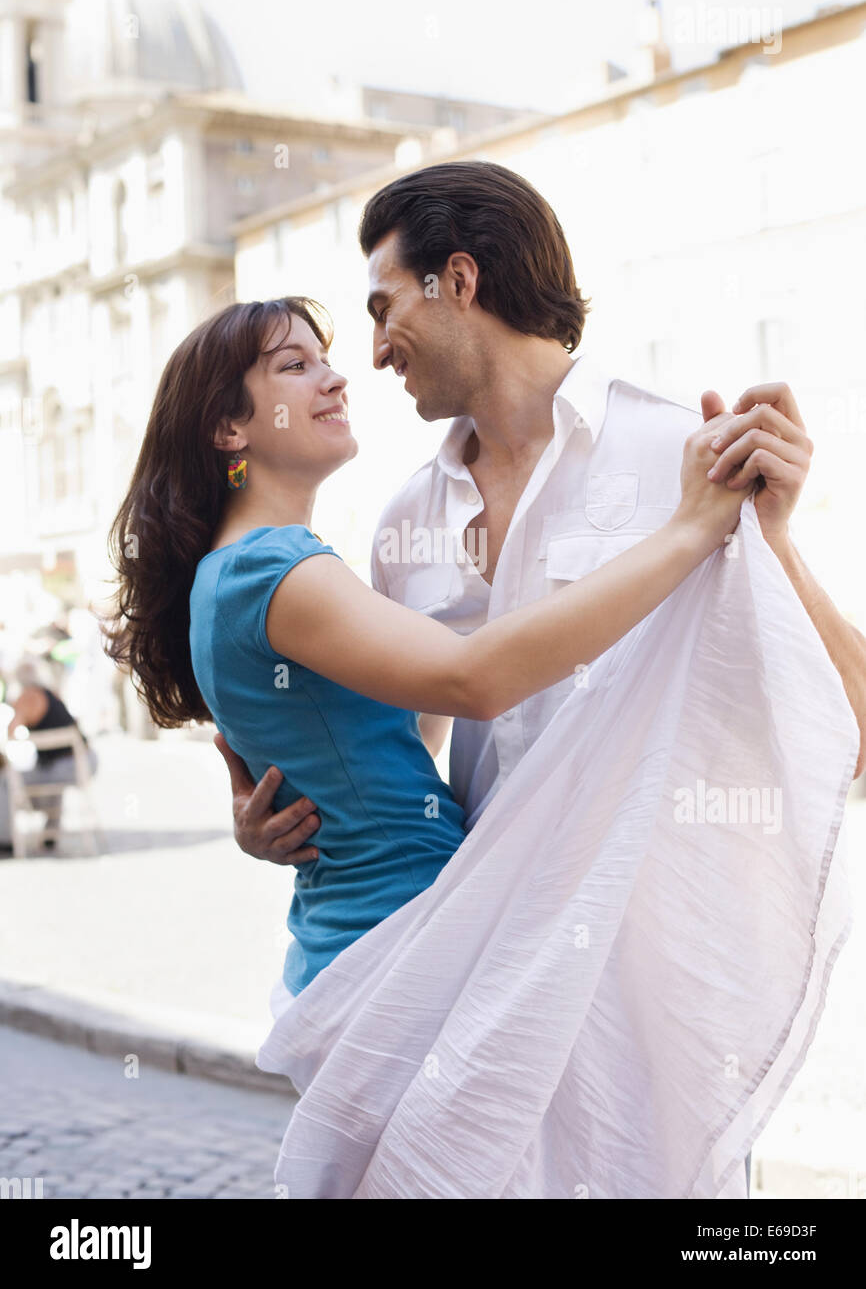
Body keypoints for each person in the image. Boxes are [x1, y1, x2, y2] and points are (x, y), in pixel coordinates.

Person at [218, 163, 866, 1199]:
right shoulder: (400, 523)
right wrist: (291, 819)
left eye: (383, 309)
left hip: (644, 1020)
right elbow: (411, 750)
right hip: (481, 1009)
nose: (373, 348)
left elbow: (852, 728)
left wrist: (771, 538)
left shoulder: (676, 451)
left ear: (457, 283)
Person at [105, 290, 751, 1003]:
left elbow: (407, 734)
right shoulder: (270, 570)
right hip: (399, 949)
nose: (338, 378)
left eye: (327, 360)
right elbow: (473, 681)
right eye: (296, 365)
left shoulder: (238, 571)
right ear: (229, 427)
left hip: (370, 938)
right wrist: (689, 531)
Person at [9, 662, 98, 845]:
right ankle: (51, 832)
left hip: (69, 765)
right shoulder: (51, 693)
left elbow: (11, 732)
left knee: (9, 781)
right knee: (46, 772)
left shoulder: (27, 698)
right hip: (87, 759)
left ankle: (6, 838)